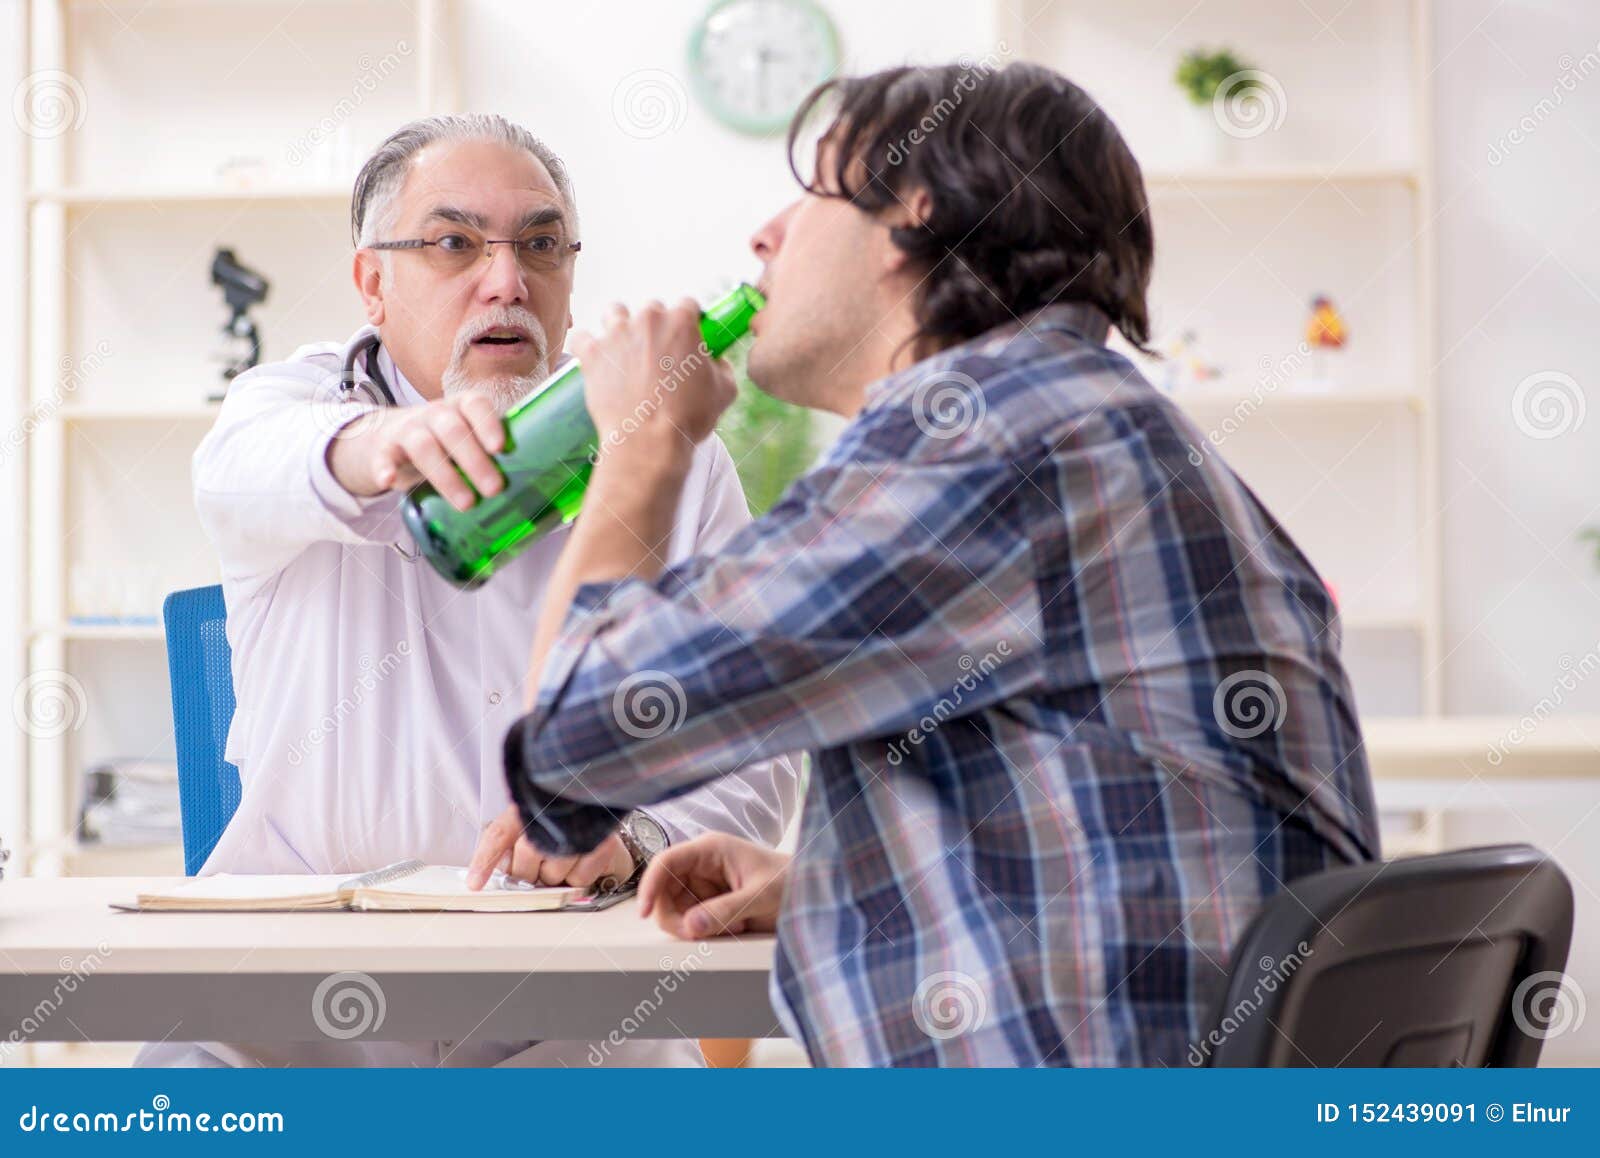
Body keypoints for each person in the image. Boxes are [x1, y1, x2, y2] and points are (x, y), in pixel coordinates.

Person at [473, 64, 1379, 1067]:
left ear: (916, 215)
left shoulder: (974, 443)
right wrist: (836, 878)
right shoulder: (1085, 415)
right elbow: (1123, 810)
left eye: (811, 192)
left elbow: (570, 750)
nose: (764, 237)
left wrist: (638, 440)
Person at [138, 113, 799, 1069]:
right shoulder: (292, 411)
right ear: (373, 283)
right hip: (285, 1009)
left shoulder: (673, 455)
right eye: (454, 244)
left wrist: (641, 838)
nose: (507, 280)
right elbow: (242, 471)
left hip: (570, 1010)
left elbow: (758, 743)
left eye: (540, 245)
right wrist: (376, 451)